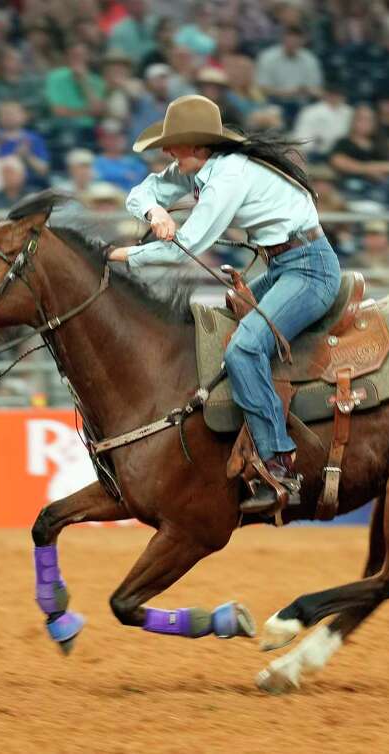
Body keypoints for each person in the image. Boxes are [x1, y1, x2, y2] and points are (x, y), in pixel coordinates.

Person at [106, 95, 341, 514]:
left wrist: (124, 256)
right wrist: (155, 210)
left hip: (308, 271)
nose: (166, 152)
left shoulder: (226, 178)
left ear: (198, 147)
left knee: (244, 348)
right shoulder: (201, 169)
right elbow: (141, 192)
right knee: (232, 327)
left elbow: (186, 248)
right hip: (288, 264)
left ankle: (279, 465)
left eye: (173, 144)